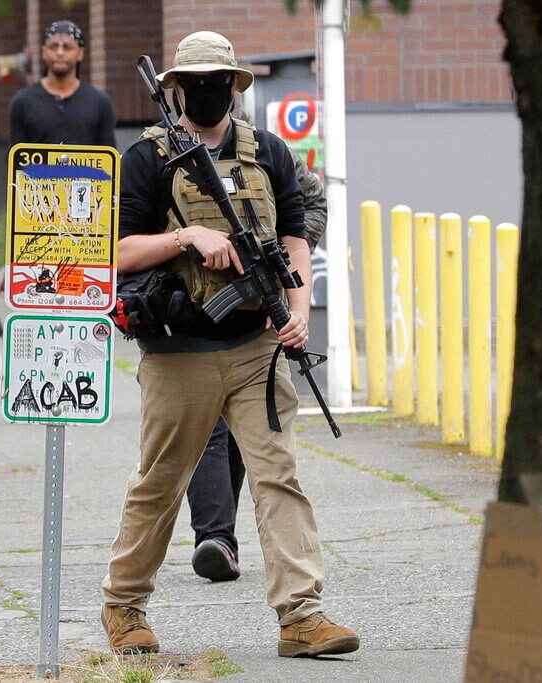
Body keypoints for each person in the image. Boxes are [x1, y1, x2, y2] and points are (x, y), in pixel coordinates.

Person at [100, 31, 359, 658]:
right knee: (161, 482)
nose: (211, 92)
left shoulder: (268, 150)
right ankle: (124, 605)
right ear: (177, 88)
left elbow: (295, 236)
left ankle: (302, 616)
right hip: (179, 349)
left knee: (279, 477)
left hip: (257, 347)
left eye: (222, 81)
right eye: (200, 82)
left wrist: (298, 314)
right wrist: (186, 237)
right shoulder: (148, 157)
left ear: (234, 85)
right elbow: (115, 250)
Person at [188, 151, 328, 583]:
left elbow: (310, 207)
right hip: (190, 308)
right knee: (207, 430)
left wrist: (280, 276)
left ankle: (282, 575)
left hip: (256, 309)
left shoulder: (265, 150)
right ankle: (216, 538)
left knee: (255, 441)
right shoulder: (166, 151)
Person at [8, 20, 116, 148]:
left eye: (67, 47)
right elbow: (14, 158)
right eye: (53, 46)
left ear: (80, 53)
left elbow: (109, 158)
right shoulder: (22, 102)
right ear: (44, 52)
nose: (59, 53)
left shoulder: (100, 102)